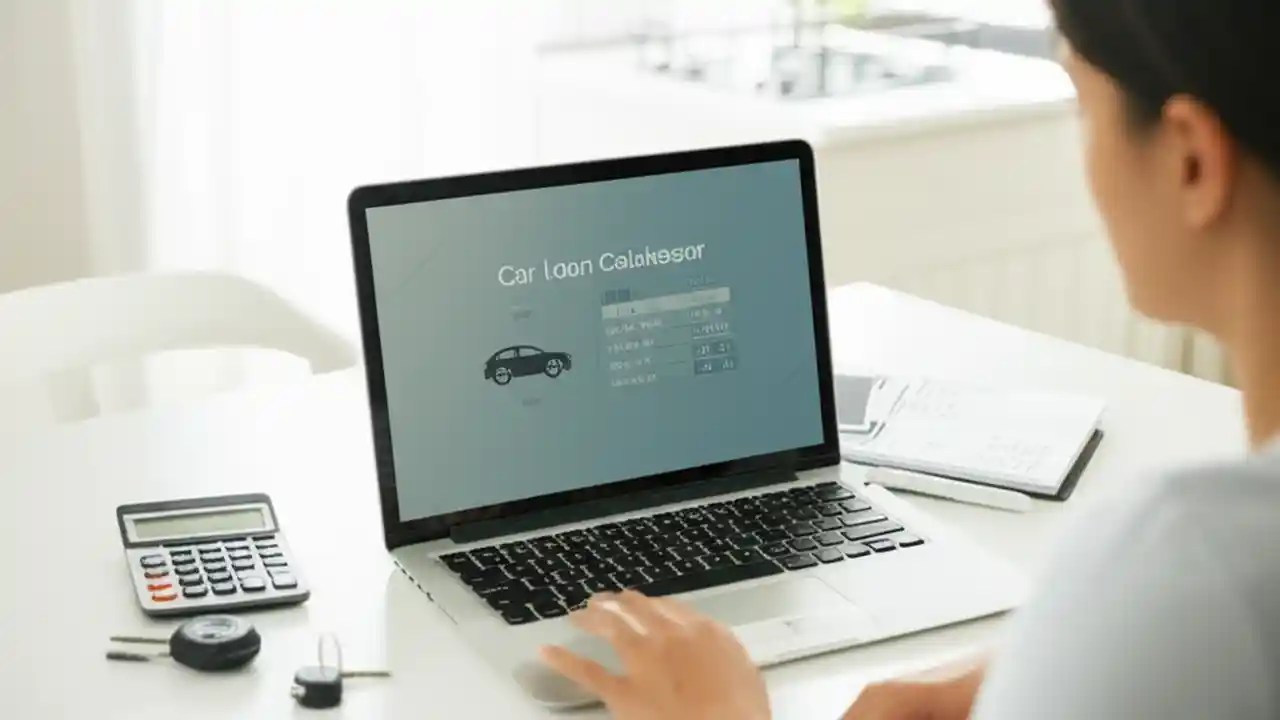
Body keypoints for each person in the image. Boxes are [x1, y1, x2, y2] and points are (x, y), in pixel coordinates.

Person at [538, 0, 1280, 717]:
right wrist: (1057, 670)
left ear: (1190, 161)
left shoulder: (1187, 567)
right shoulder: (1199, 588)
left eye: (1082, 107)